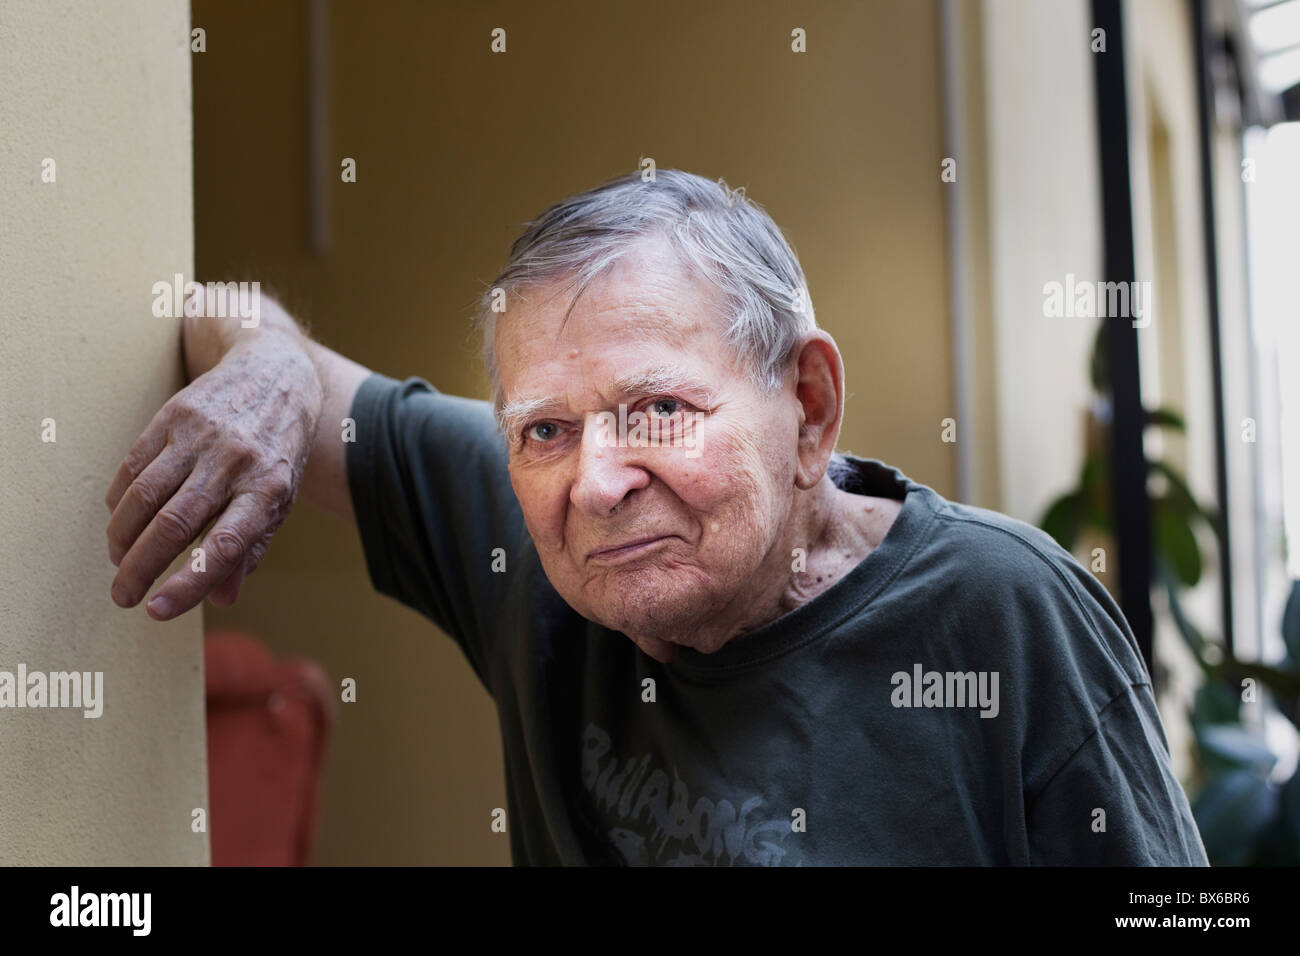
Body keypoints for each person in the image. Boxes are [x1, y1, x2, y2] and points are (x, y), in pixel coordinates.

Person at [105, 170, 1209, 866]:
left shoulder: (1004, 612)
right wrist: (273, 373)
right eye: (543, 428)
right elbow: (215, 312)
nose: (594, 480)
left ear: (808, 407)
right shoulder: (534, 526)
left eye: (660, 410)